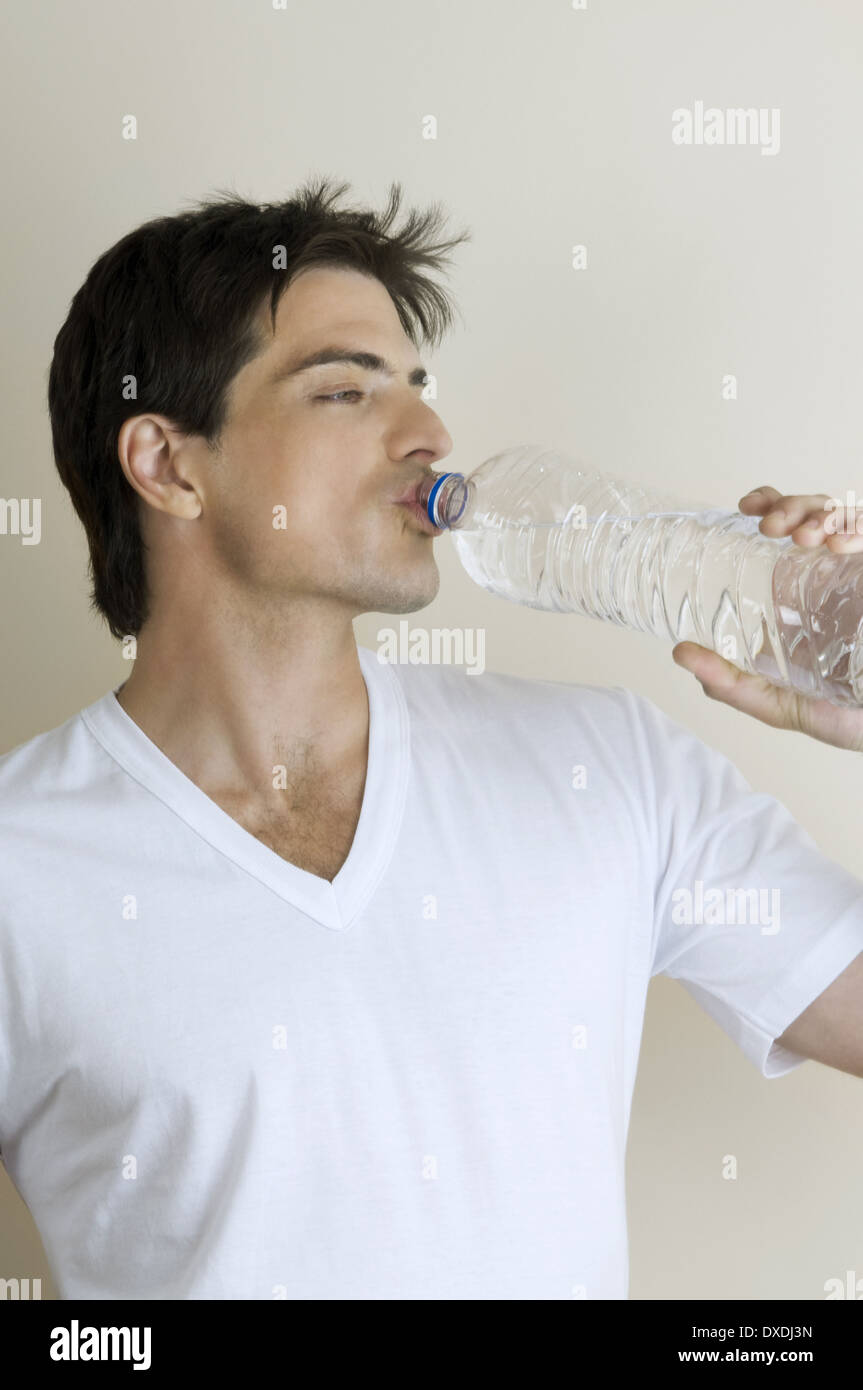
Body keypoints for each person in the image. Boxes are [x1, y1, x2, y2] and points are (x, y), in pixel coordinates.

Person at [1, 177, 862, 1301]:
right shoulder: (25, 865)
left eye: (415, 384)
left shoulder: (606, 767)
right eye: (345, 390)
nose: (429, 433)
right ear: (170, 464)